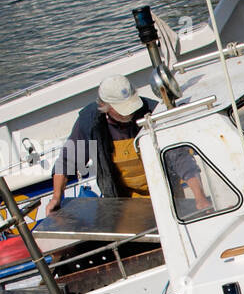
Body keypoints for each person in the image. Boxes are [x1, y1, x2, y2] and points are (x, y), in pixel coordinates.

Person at [47, 74, 207, 215]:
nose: (129, 113)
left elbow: (180, 158)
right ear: (105, 107)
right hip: (122, 203)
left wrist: (199, 197)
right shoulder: (90, 122)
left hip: (166, 196)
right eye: (122, 109)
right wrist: (56, 197)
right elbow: (67, 161)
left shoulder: (152, 111)